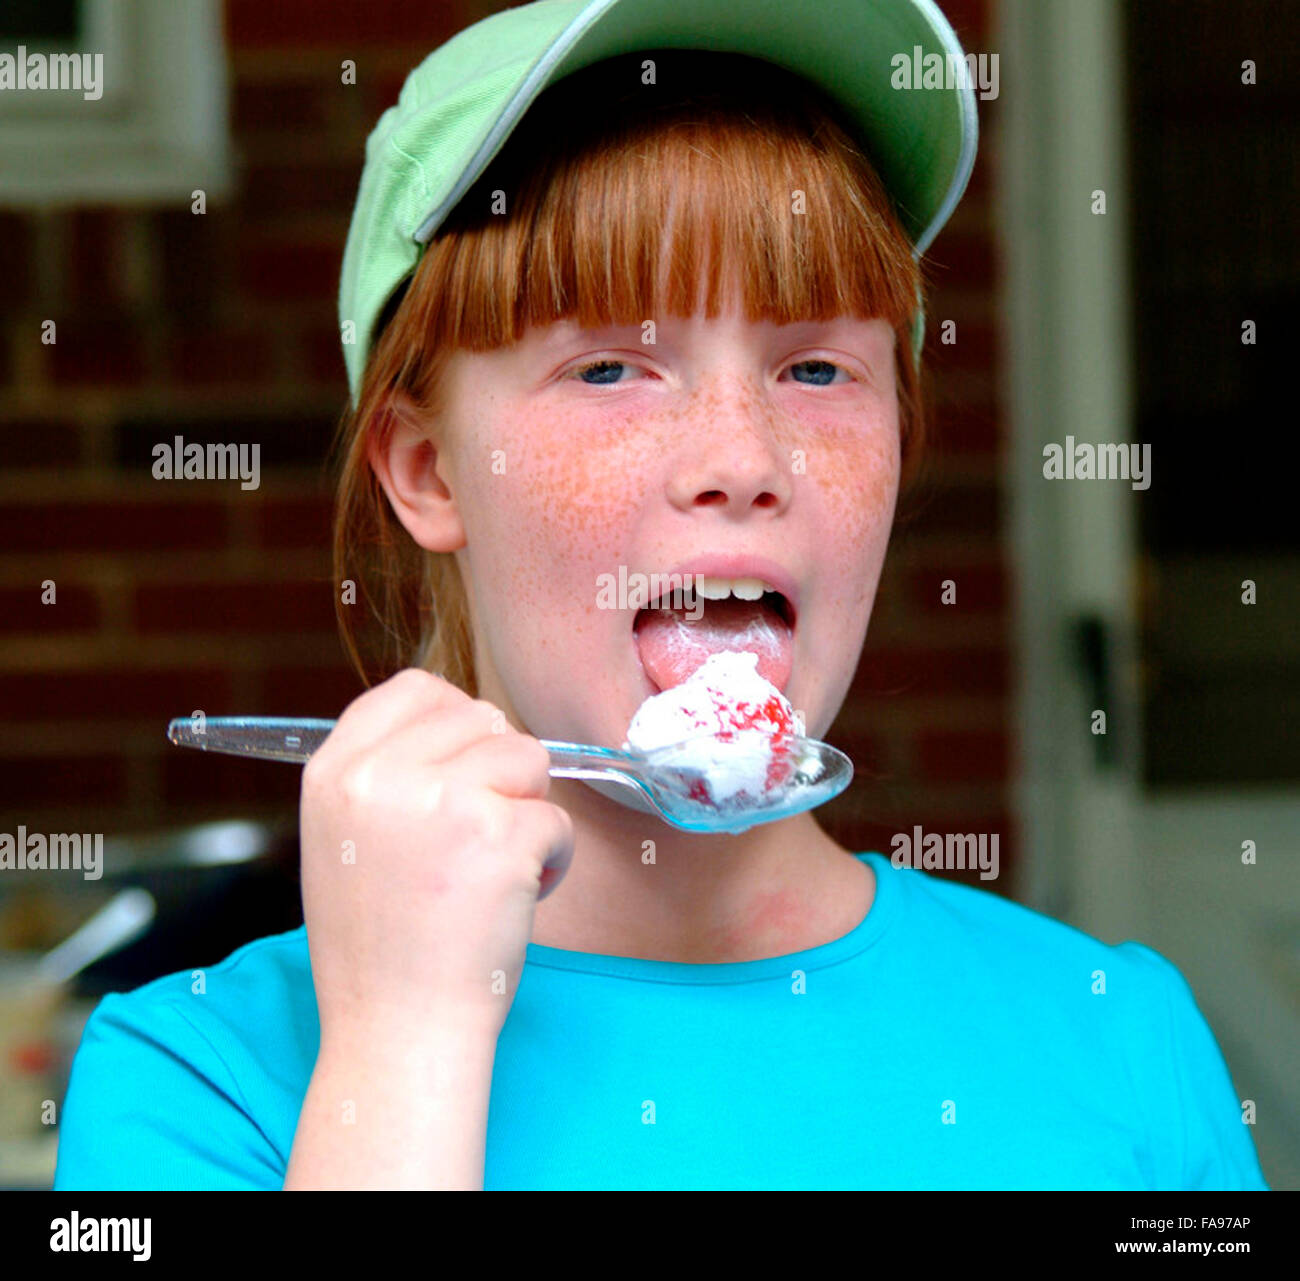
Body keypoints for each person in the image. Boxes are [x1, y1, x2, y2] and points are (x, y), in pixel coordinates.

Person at [53, 0, 1268, 1190]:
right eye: (608, 369)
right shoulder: (196, 1079)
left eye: (814, 366)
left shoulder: (1118, 1038)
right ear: (428, 471)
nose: (742, 459)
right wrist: (402, 1046)